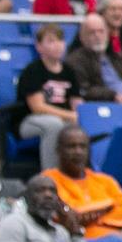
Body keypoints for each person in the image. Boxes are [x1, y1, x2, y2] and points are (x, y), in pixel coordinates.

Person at [48, 126, 122, 239]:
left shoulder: (105, 180)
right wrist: (110, 205)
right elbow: (74, 212)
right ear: (59, 150)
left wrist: (95, 219)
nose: (78, 152)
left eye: (83, 147)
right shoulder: (49, 180)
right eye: (71, 146)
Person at [15, 25, 80, 170]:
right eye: (51, 41)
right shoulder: (33, 70)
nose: (57, 45)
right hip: (30, 121)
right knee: (54, 125)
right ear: (39, 46)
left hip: (64, 118)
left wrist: (79, 116)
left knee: (83, 125)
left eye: (60, 40)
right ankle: (51, 174)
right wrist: (70, 115)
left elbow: (77, 104)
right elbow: (37, 107)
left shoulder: (69, 71)